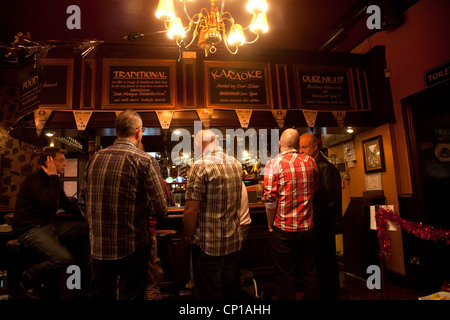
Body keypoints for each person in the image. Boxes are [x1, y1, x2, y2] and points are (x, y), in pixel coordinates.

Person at [78, 109, 168, 300]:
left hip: (100, 246)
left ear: (116, 131)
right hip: (133, 246)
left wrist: (98, 225)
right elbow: (160, 209)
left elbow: (82, 202)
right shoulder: (145, 160)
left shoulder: (94, 160)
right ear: (139, 131)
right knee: (131, 296)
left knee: (100, 295)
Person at [12, 147, 89, 299]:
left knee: (86, 227)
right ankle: (26, 276)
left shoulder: (53, 181)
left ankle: (81, 278)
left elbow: (66, 204)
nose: (65, 164)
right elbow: (52, 203)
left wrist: (88, 217)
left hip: (46, 226)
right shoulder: (36, 179)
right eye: (61, 160)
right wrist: (53, 176)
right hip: (30, 229)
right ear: (49, 161)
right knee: (65, 259)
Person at [183, 129, 243, 300]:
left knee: (209, 292)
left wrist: (188, 236)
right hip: (233, 241)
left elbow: (191, 209)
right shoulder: (236, 164)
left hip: (208, 244)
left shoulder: (200, 165)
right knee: (230, 289)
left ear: (197, 144)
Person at [262, 128, 320, 300]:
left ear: (280, 144)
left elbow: (270, 200)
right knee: (310, 273)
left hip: (283, 229)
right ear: (297, 145)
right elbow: (315, 188)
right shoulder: (311, 162)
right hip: (307, 227)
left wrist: (270, 225)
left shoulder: (272, 164)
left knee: (285, 276)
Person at [299, 133, 342, 299]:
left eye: (304, 147)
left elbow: (329, 200)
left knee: (326, 262)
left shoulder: (325, 167)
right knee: (319, 262)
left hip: (324, 226)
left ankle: (330, 295)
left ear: (314, 146)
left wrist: (311, 218)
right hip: (318, 224)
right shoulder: (313, 164)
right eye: (300, 147)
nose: (301, 151)